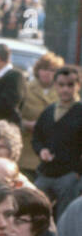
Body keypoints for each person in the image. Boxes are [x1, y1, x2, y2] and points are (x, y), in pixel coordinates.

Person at [31, 64, 82, 215]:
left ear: (78, 85)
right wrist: (41, 151)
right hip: (46, 173)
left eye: (70, 85)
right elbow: (36, 138)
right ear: (55, 86)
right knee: (34, 211)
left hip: (70, 176)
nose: (65, 89)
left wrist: (77, 173)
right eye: (61, 85)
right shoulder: (48, 111)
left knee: (66, 216)